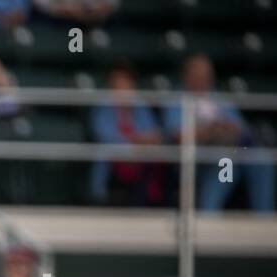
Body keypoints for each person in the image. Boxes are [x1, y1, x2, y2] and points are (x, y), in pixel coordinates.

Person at [164, 54, 275, 214]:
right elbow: (177, 135)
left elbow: (241, 129)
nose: (203, 80)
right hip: (200, 157)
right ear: (186, 76)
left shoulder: (217, 97)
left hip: (231, 151)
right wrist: (208, 131)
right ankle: (208, 215)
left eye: (206, 76)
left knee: (262, 159)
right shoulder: (178, 99)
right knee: (226, 165)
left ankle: (264, 218)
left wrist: (224, 127)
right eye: (198, 76)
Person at [89, 62, 166, 206]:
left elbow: (154, 134)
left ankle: (146, 204)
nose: (122, 91)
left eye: (125, 85)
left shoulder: (139, 105)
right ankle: (100, 198)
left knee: (156, 157)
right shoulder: (103, 106)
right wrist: (135, 143)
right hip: (115, 158)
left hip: (140, 157)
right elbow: (105, 137)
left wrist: (136, 142)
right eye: (118, 86)